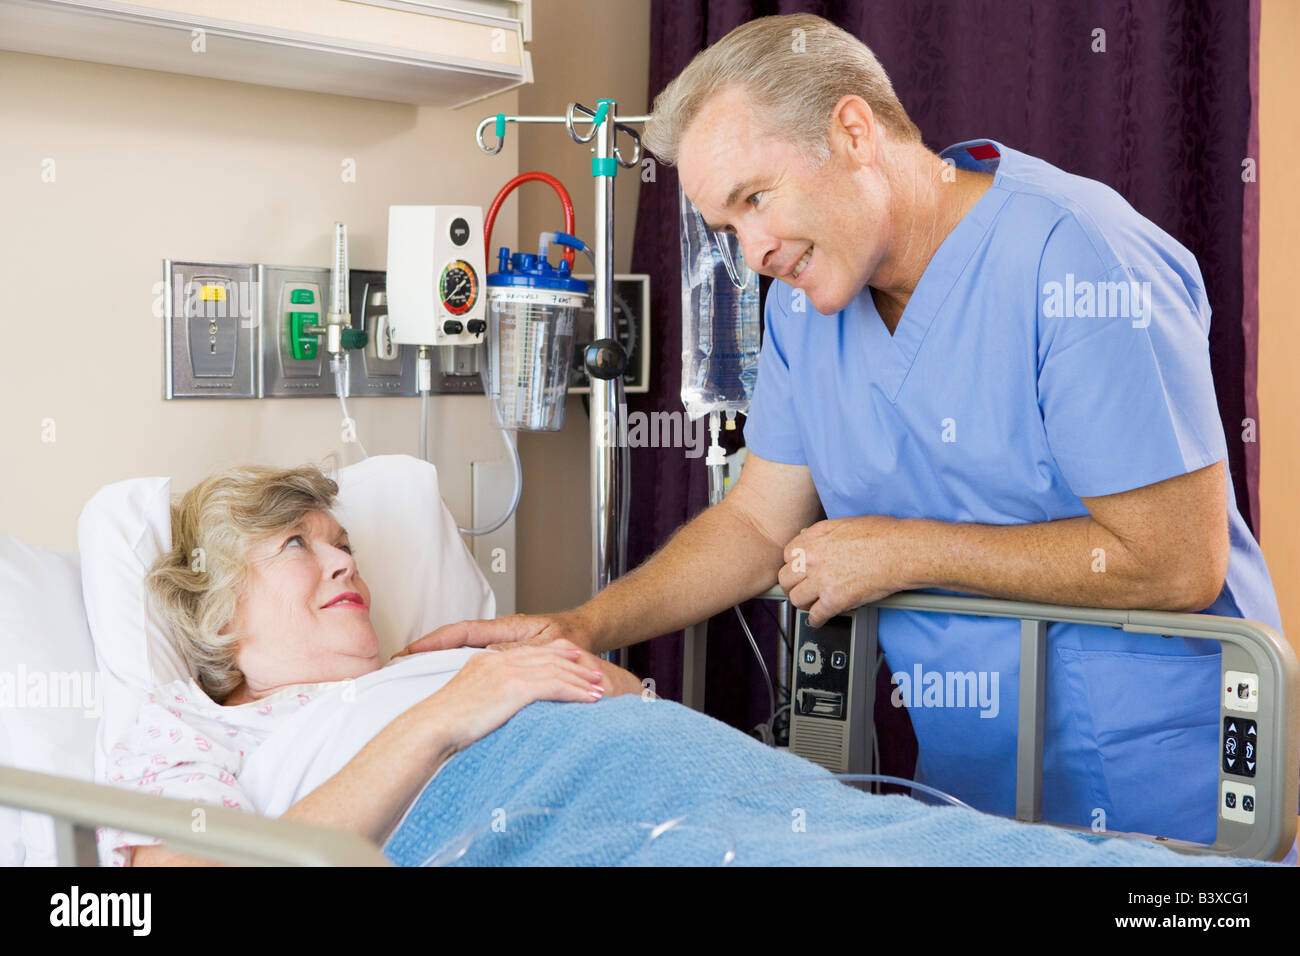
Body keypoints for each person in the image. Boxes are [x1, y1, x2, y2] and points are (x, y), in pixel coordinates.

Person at [399, 14, 1285, 846]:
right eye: (725, 226)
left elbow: (1174, 559)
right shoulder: (804, 313)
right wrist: (584, 626)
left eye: (756, 198)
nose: (751, 253)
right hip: (977, 799)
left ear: (854, 133)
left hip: (1165, 783)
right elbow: (754, 525)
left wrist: (902, 550)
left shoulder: (1079, 259)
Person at [99, 463, 643, 867]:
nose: (344, 562)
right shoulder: (189, 730)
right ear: (218, 614)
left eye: (342, 545)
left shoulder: (449, 664)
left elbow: (632, 697)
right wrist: (441, 720)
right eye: (295, 544)